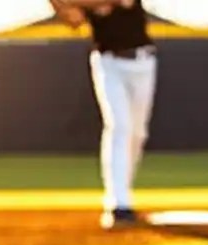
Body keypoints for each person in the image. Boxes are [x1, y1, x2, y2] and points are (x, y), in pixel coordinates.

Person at [50, 0, 156, 229]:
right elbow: (74, 20)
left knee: (137, 133)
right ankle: (119, 204)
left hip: (143, 62)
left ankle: (123, 193)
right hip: (108, 63)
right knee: (119, 127)